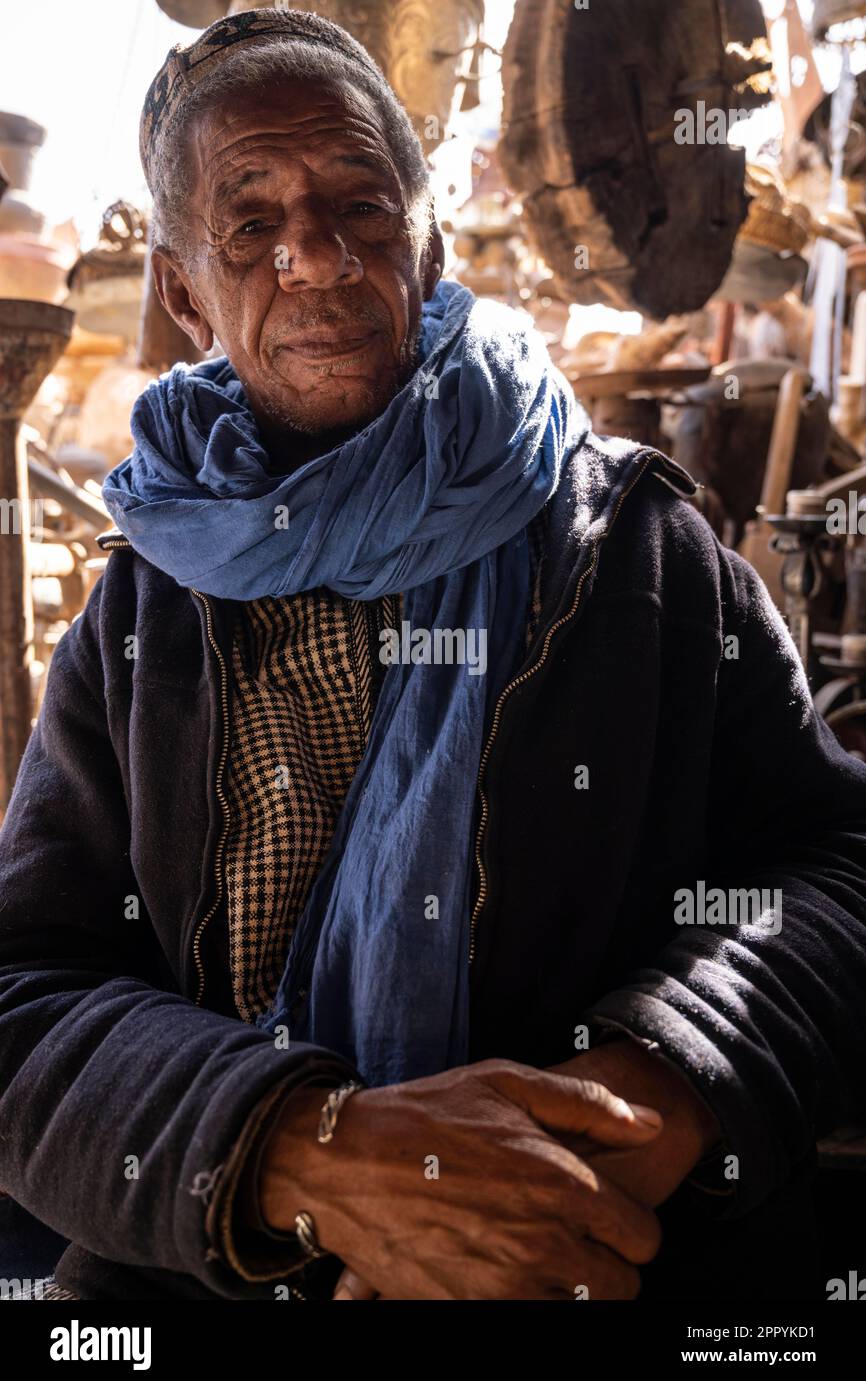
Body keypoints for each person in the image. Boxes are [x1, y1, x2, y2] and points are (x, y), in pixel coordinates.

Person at [0, 8, 864, 1302]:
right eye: (250, 223)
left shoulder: (631, 545)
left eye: (360, 200)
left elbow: (833, 870)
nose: (316, 254)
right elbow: (26, 993)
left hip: (601, 1257)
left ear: (428, 239)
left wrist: (662, 1082)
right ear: (181, 291)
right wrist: (300, 1153)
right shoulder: (142, 614)